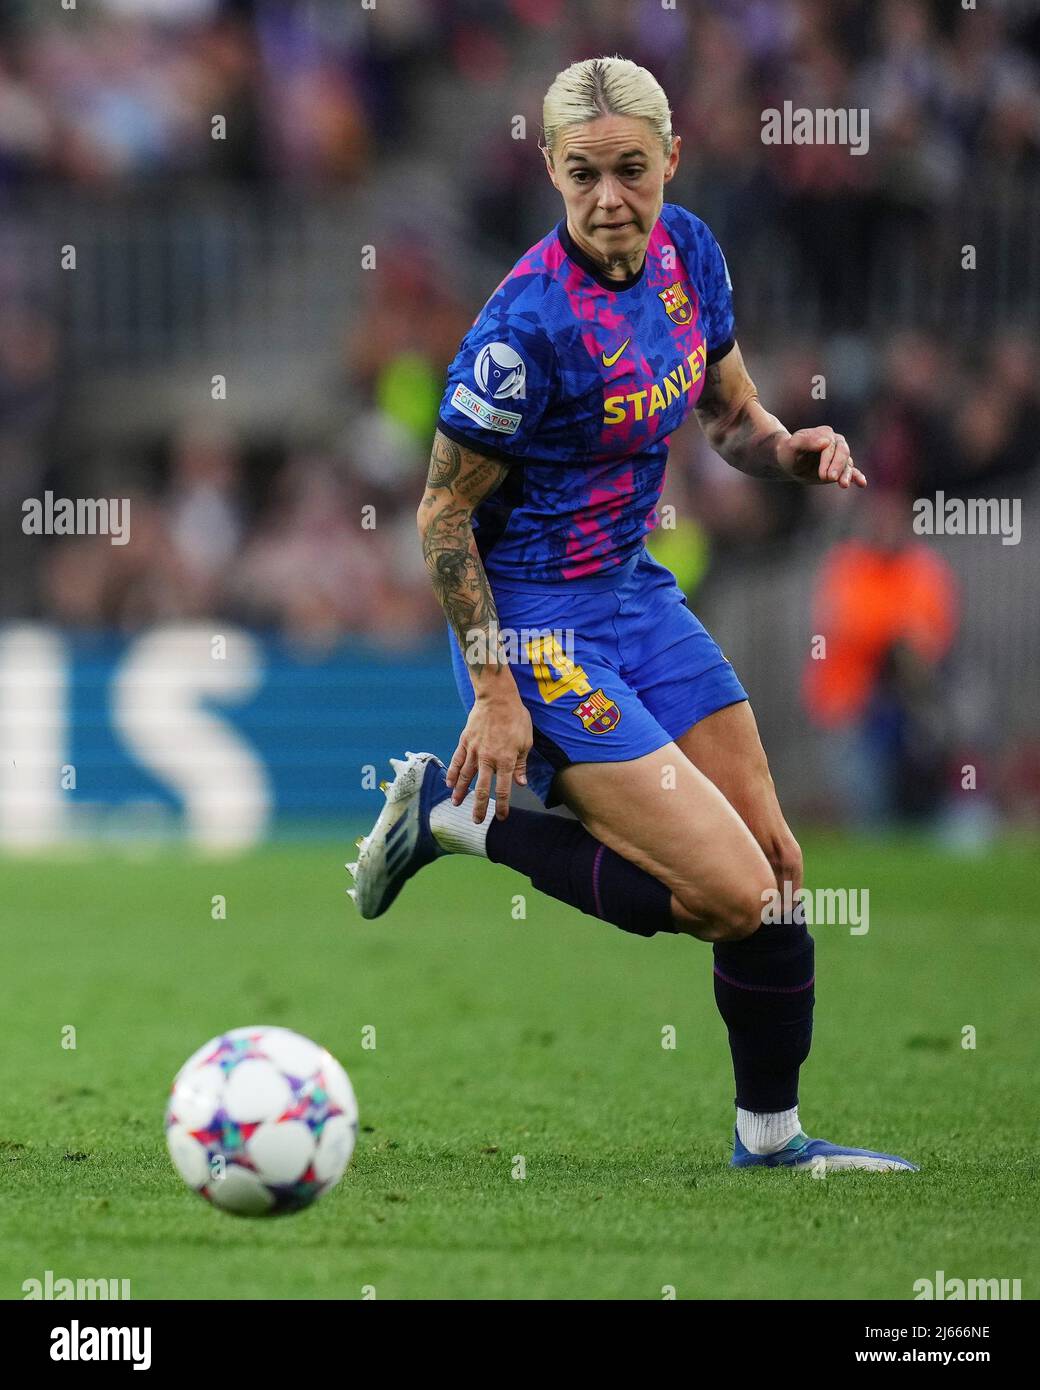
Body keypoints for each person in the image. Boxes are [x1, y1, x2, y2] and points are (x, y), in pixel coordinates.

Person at [348, 56, 916, 1173]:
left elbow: (728, 414)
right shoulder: (520, 333)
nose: (608, 196)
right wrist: (498, 691)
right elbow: (439, 517)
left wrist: (789, 449)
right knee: (728, 895)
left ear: (667, 161)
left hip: (635, 592)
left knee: (774, 871)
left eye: (627, 169)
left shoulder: (688, 254)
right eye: (581, 174)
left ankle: (773, 1141)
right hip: (537, 626)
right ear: (550, 173)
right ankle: (468, 817)